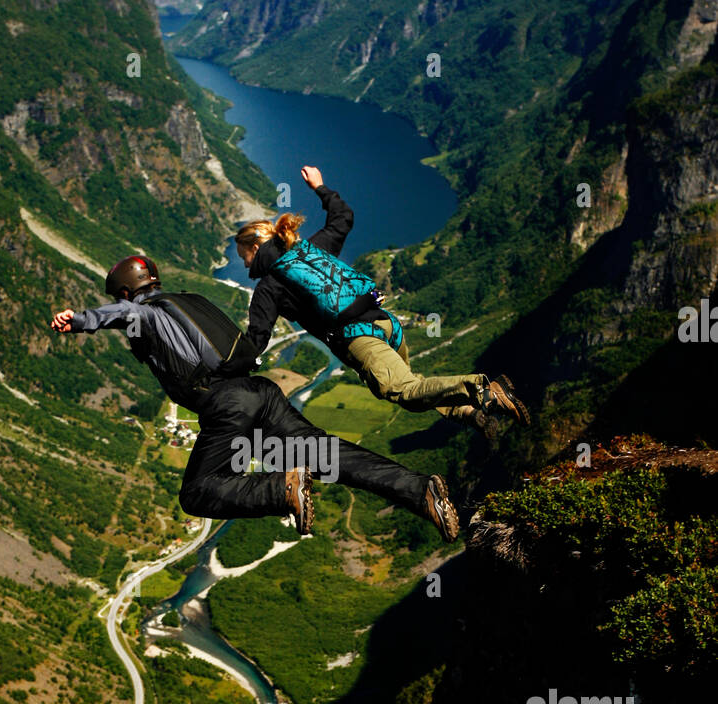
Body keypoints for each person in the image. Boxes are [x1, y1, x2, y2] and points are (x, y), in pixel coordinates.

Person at [50, 254, 460, 542]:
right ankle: (420, 490)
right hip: (260, 391)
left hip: (227, 404)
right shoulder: (188, 301)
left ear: (125, 291)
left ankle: (281, 488)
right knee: (328, 456)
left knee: (198, 492)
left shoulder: (145, 312)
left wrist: (81, 321)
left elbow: (125, 316)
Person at [237, 165, 529, 435]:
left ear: (254, 247)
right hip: (386, 323)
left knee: (404, 391)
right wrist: (320, 187)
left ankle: (483, 390)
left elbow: (256, 341)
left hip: (359, 340)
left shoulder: (268, 287)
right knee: (410, 382)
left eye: (244, 257)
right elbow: (343, 218)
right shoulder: (312, 249)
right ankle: (465, 412)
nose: (247, 265)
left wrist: (226, 371)